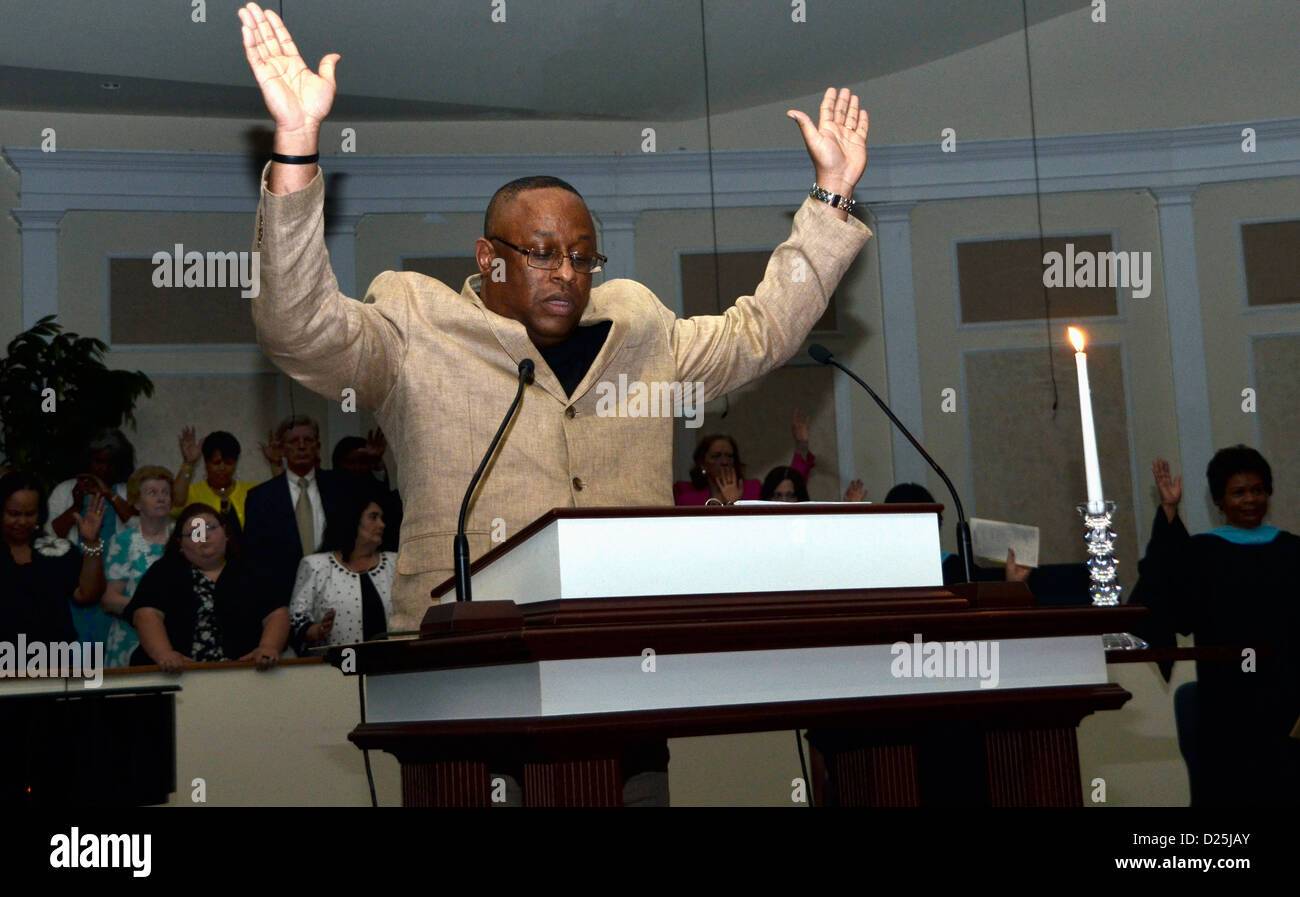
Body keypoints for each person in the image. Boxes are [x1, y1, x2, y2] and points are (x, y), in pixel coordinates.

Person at [239, 1, 870, 807]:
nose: (566, 272)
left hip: (620, 678)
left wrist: (830, 200)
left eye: (581, 255)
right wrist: (295, 149)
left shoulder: (641, 328)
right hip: (462, 686)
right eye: (540, 253)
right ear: (487, 257)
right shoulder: (415, 327)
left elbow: (761, 333)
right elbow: (296, 327)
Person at [1134, 449, 1300, 806]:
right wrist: (1168, 513)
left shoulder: (1292, 550)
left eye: (1258, 490)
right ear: (1220, 501)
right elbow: (1163, 585)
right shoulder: (1203, 553)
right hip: (1227, 705)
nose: (1250, 499)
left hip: (1289, 702)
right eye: (1239, 492)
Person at [126, 503, 289, 673]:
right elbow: (146, 615)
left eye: (210, 528)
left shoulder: (252, 569)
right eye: (194, 533)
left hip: (245, 673)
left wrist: (269, 647)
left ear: (226, 533)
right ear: (180, 543)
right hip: (178, 674)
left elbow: (277, 613)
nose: (204, 536)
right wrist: (164, 654)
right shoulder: (164, 572)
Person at [243, 416, 349, 608]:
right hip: (282, 599)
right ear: (282, 449)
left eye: (308, 440)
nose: (301, 446)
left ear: (317, 446)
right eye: (293, 441)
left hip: (338, 591)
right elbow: (255, 558)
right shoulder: (260, 497)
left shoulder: (340, 487)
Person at [1, 471, 106, 648]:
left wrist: (91, 543)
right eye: (14, 514)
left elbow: (87, 595)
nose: (22, 521)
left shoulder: (59, 550)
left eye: (30, 514)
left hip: (53, 661)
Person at [288, 486, 396, 654]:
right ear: (353, 520)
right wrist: (319, 630)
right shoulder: (316, 566)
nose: (382, 524)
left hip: (392, 666)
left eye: (382, 518)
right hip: (336, 672)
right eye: (373, 517)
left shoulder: (394, 563)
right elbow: (296, 620)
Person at [102, 466, 175, 668]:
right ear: (136, 502)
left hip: (175, 637)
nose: (161, 498)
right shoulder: (123, 541)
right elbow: (110, 599)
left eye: (165, 493)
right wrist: (152, 614)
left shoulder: (184, 537)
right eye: (152, 493)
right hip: (130, 638)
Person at [676, 410, 817, 505]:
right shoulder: (684, 493)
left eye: (729, 456)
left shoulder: (752, 489)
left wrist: (801, 445)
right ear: (703, 462)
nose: (724, 462)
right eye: (716, 456)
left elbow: (789, 484)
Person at [170, 429, 262, 531]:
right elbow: (175, 504)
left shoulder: (252, 491)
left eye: (228, 463)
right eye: (216, 463)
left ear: (236, 463)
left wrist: (276, 464)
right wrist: (188, 463)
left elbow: (279, 503)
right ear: (206, 463)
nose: (222, 468)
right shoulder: (192, 493)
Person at [332, 430, 402, 551]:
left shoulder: (380, 495)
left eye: (362, 462)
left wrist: (376, 462)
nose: (356, 467)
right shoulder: (330, 495)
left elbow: (383, 496)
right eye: (350, 462)